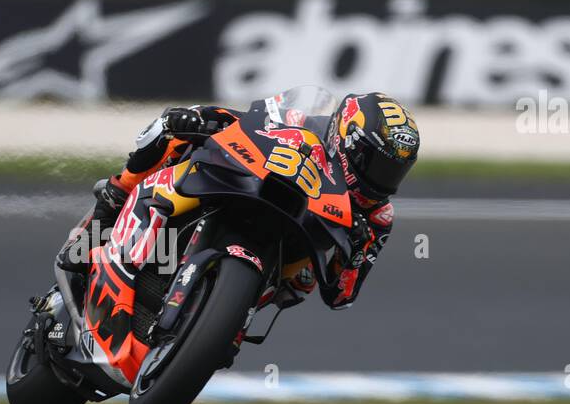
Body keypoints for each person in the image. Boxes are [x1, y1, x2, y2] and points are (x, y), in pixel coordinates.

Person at [61, 92, 420, 310]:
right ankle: (112, 201)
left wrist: (355, 250)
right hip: (248, 187)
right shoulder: (304, 122)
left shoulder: (378, 217)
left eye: (394, 171)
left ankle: (222, 323)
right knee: (175, 129)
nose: (382, 180)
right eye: (377, 165)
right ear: (347, 140)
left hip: (288, 248)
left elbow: (342, 296)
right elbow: (248, 120)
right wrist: (203, 119)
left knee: (305, 279)